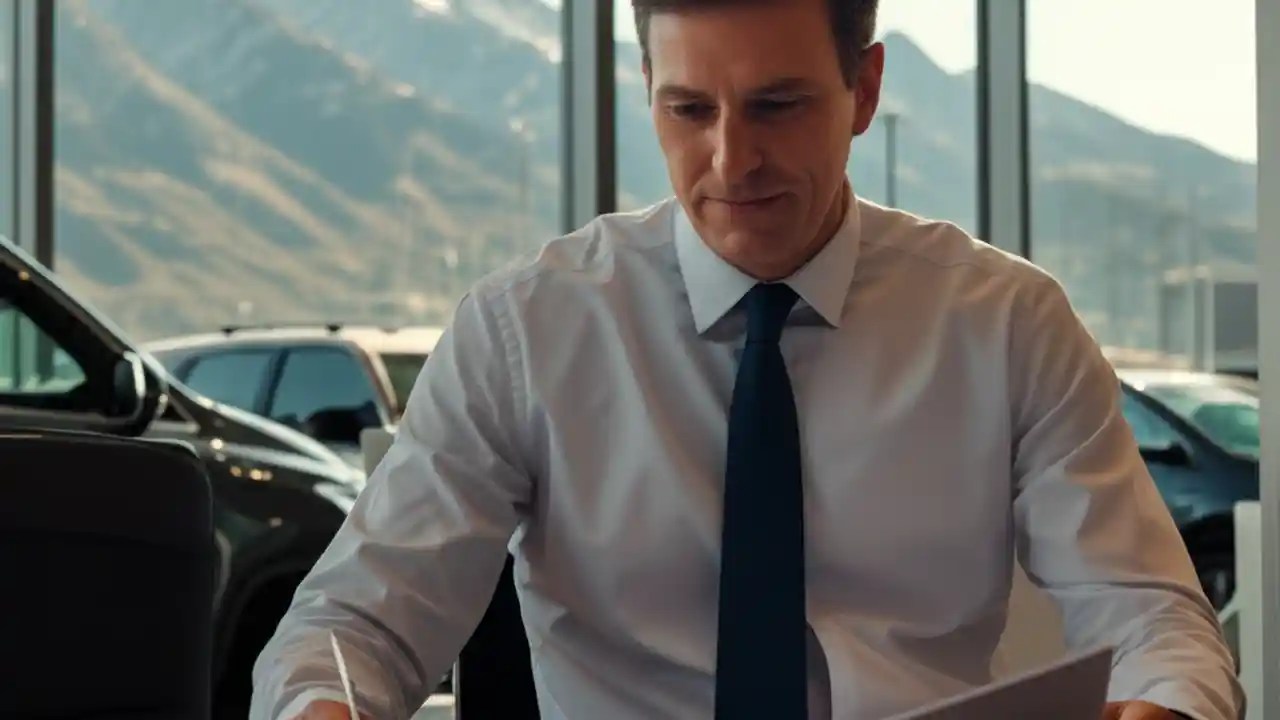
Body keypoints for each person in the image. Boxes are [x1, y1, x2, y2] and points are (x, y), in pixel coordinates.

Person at [251, 0, 1243, 718]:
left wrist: (1167, 705)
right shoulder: (526, 332)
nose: (730, 161)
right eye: (688, 111)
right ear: (645, 90)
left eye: (775, 107)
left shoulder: (1006, 324)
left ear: (863, 89)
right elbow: (353, 629)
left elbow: (1156, 624)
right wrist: (321, 708)